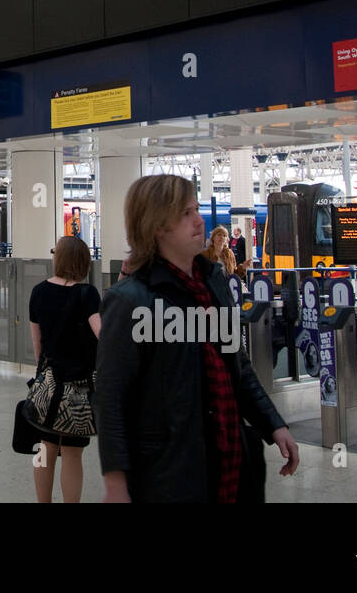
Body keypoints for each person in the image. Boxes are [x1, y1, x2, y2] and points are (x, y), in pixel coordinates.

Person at [94, 175, 299, 503]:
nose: (199, 221)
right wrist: (115, 482)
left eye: (196, 210)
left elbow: (237, 364)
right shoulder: (131, 300)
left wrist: (273, 424)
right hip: (170, 476)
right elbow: (110, 396)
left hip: (229, 461)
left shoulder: (213, 281)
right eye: (186, 213)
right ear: (157, 225)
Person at [28, 236, 101, 503]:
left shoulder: (38, 291)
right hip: (78, 391)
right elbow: (101, 335)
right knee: (72, 453)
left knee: (45, 449)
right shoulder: (87, 294)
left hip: (49, 385)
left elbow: (38, 346)